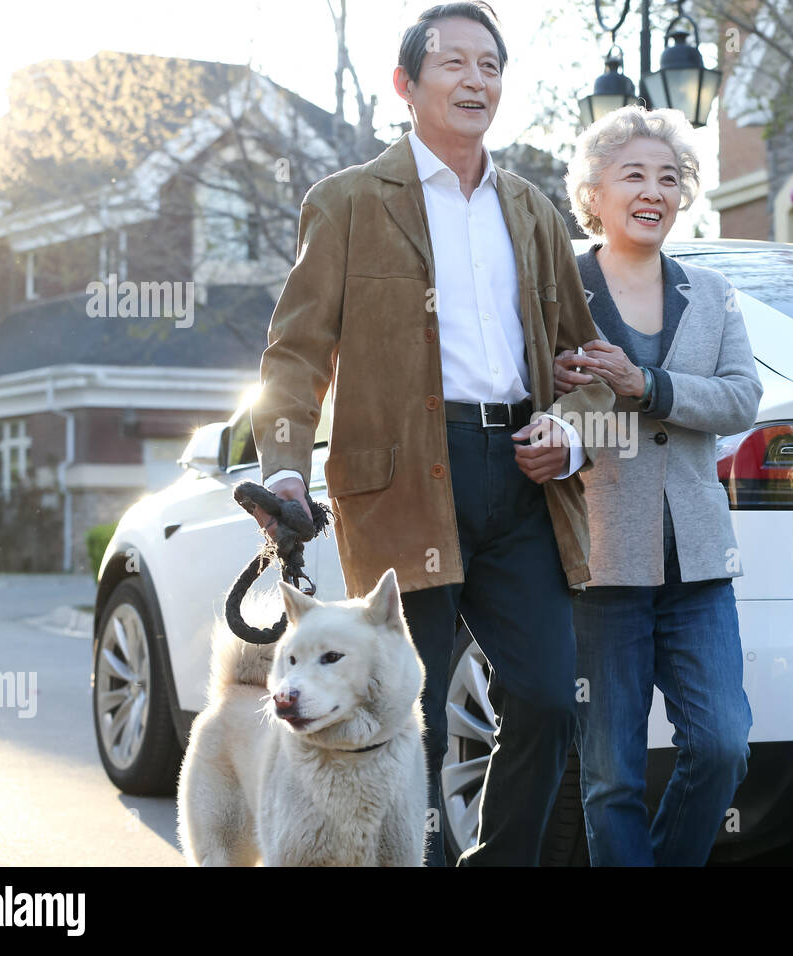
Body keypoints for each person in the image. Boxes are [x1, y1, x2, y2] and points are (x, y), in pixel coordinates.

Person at [250, 2, 614, 866]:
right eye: (454, 63)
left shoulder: (530, 209)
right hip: (403, 484)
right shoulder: (344, 202)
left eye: (490, 65)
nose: (476, 80)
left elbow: (587, 360)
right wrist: (287, 471)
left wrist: (571, 428)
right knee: (403, 712)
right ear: (406, 83)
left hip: (522, 477)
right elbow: (295, 353)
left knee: (547, 701)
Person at [553, 105, 762, 866]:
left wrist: (651, 384)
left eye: (668, 178)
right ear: (593, 194)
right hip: (599, 563)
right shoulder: (559, 286)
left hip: (700, 562)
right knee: (611, 776)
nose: (653, 190)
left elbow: (741, 399)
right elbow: (537, 404)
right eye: (632, 175)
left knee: (723, 746)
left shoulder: (711, 294)